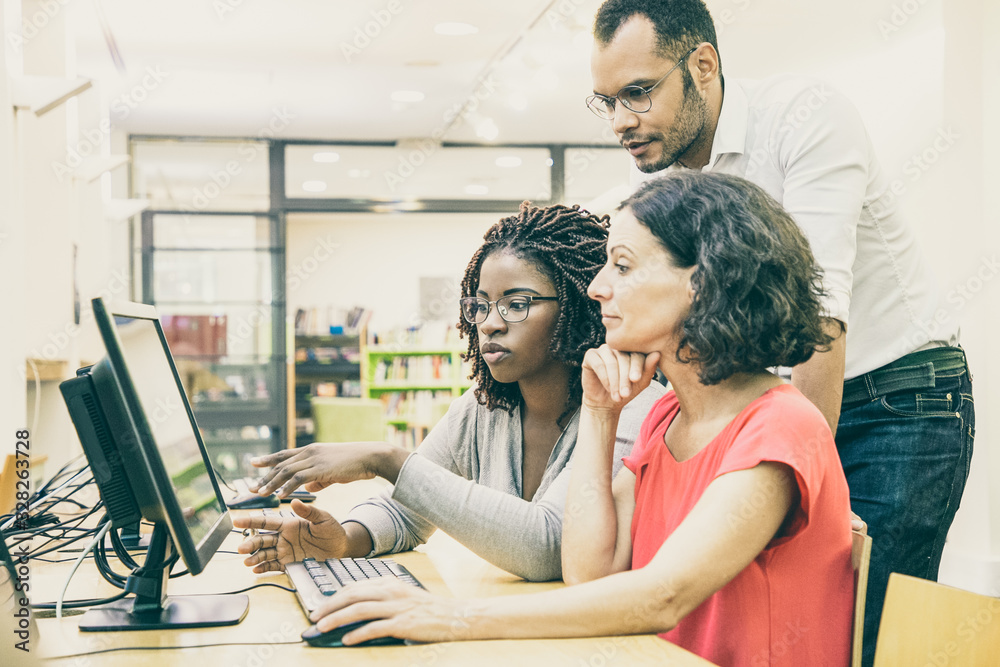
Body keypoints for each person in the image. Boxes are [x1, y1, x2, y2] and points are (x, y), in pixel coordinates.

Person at [304, 173, 855, 666]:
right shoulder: (668, 415)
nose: (596, 288)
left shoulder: (780, 425)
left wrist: (451, 618)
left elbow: (663, 594)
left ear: (704, 282)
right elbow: (588, 570)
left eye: (622, 265)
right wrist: (598, 411)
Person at [585, 2, 975, 663]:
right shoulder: (658, 160)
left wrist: (817, 486)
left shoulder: (805, 116)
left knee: (868, 630)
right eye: (607, 101)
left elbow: (819, 320)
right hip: (776, 405)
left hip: (899, 398)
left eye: (639, 93)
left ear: (702, 65)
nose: (622, 120)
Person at [233, 202, 664, 581]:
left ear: (578, 307)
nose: (489, 323)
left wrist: (387, 459)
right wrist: (343, 541)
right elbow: (407, 510)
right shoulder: (484, 408)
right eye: (479, 305)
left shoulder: (629, 406)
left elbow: (549, 546)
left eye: (517, 304)